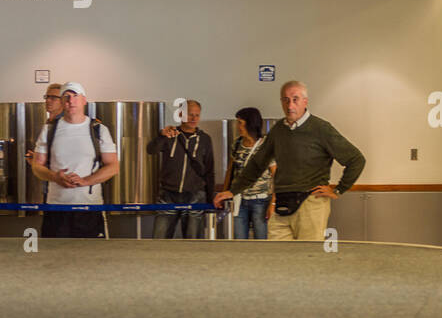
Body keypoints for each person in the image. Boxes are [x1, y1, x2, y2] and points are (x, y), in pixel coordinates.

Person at [213, 81, 364, 241]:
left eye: (295, 99)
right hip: (282, 204)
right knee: (278, 258)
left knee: (308, 257)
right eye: (285, 99)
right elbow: (257, 164)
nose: (290, 105)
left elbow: (356, 159)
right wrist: (232, 190)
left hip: (311, 203)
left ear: (305, 101)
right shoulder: (278, 130)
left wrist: (338, 190)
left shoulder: (321, 128)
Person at [30, 82, 119, 238]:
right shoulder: (49, 129)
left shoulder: (98, 130)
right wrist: (55, 177)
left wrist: (86, 181)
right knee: (53, 259)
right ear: (62, 102)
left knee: (91, 258)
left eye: (75, 96)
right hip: (57, 208)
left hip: (89, 208)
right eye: (66, 97)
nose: (71, 101)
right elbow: (37, 166)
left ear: (84, 100)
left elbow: (113, 166)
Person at [147, 99, 216, 239]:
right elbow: (151, 150)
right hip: (168, 194)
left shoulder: (204, 139)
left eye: (197, 115)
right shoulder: (170, 135)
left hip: (195, 195)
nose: (193, 118)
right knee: (159, 239)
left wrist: (210, 199)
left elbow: (209, 169)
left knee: (193, 241)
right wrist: (161, 135)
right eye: (190, 114)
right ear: (180, 114)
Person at [224, 106, 275, 239]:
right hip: (239, 200)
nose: (237, 126)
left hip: (261, 201)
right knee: (239, 240)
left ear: (250, 124)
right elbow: (230, 171)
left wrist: (273, 203)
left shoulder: (266, 145)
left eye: (240, 123)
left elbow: (276, 175)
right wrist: (225, 193)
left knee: (261, 240)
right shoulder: (237, 144)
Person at [25, 83, 63, 165]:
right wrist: (37, 157)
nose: (48, 100)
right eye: (47, 97)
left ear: (63, 101)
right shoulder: (49, 122)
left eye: (53, 98)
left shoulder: (63, 125)